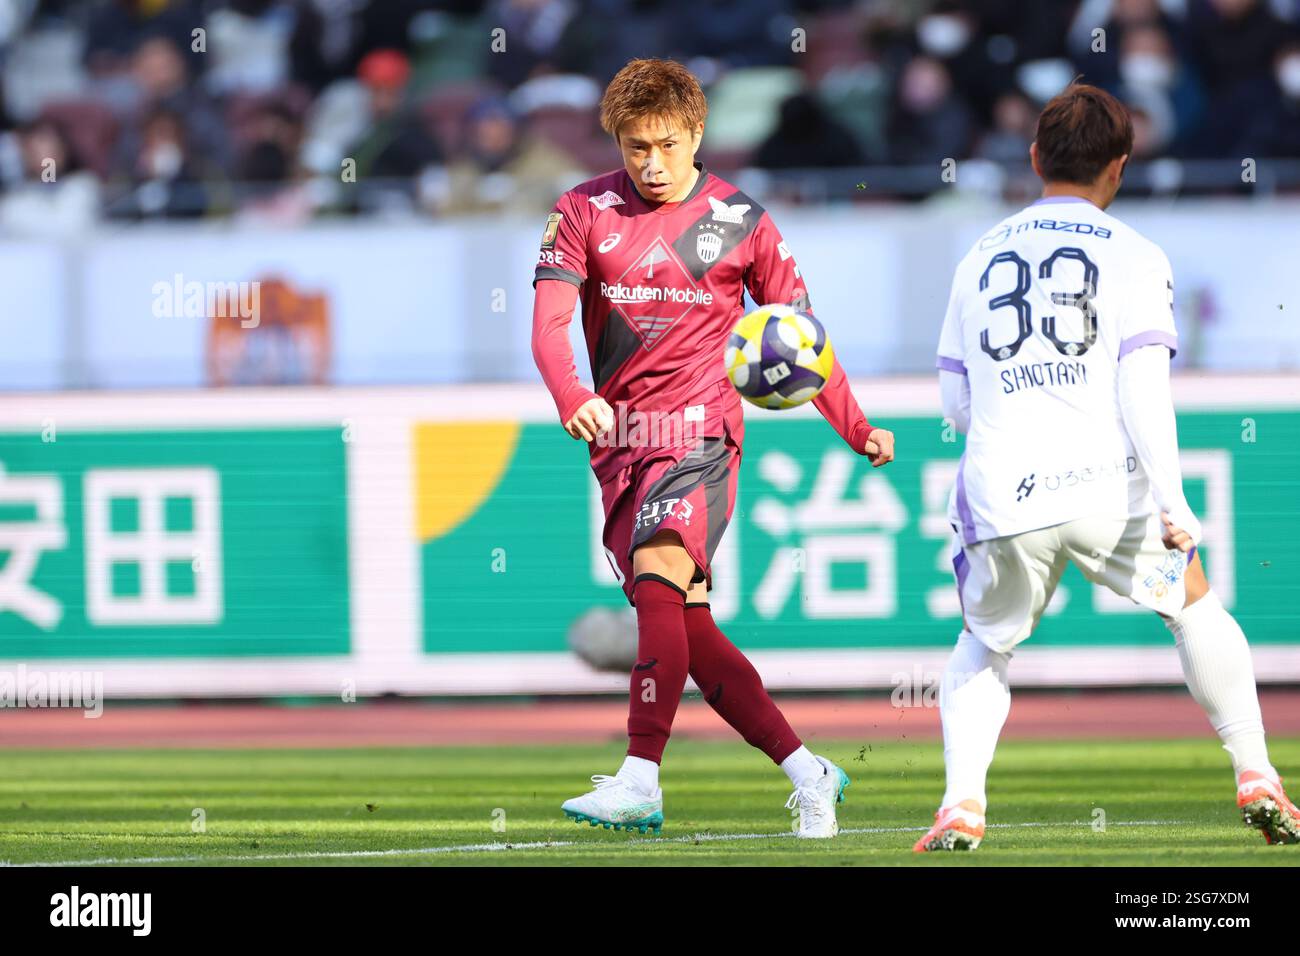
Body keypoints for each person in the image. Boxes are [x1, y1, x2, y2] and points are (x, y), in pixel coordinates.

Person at [918, 82, 1298, 852]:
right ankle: (1256, 772)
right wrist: (1173, 496)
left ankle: (962, 804)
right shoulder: (1134, 255)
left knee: (983, 646)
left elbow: (954, 402)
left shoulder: (977, 257)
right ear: (1120, 167)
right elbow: (1141, 383)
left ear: (1033, 159)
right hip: (1103, 485)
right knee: (1192, 609)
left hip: (1001, 493)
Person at [531, 58, 894, 838]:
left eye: (665, 144)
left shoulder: (743, 222)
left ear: (697, 132)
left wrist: (855, 426)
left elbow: (803, 342)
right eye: (634, 147)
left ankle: (640, 778)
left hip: (701, 435)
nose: (651, 163)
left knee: (661, 576)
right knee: (686, 631)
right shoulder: (581, 210)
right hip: (621, 443)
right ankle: (810, 770)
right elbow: (550, 323)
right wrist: (574, 396)